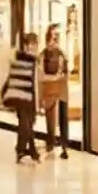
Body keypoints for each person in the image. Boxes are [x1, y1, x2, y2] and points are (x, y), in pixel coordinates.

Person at [2, 33, 40, 164]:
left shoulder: (29, 59)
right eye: (31, 44)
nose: (34, 47)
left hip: (26, 96)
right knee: (26, 123)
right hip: (24, 96)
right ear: (26, 45)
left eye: (35, 44)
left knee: (27, 123)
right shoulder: (27, 59)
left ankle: (28, 150)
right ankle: (23, 150)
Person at [38, 27, 70, 159]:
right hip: (49, 88)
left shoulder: (62, 54)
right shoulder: (43, 54)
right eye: (50, 38)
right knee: (50, 117)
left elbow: (65, 72)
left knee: (63, 117)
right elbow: (41, 74)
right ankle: (50, 142)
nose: (53, 41)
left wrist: (57, 77)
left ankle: (64, 146)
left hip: (61, 88)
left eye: (55, 38)